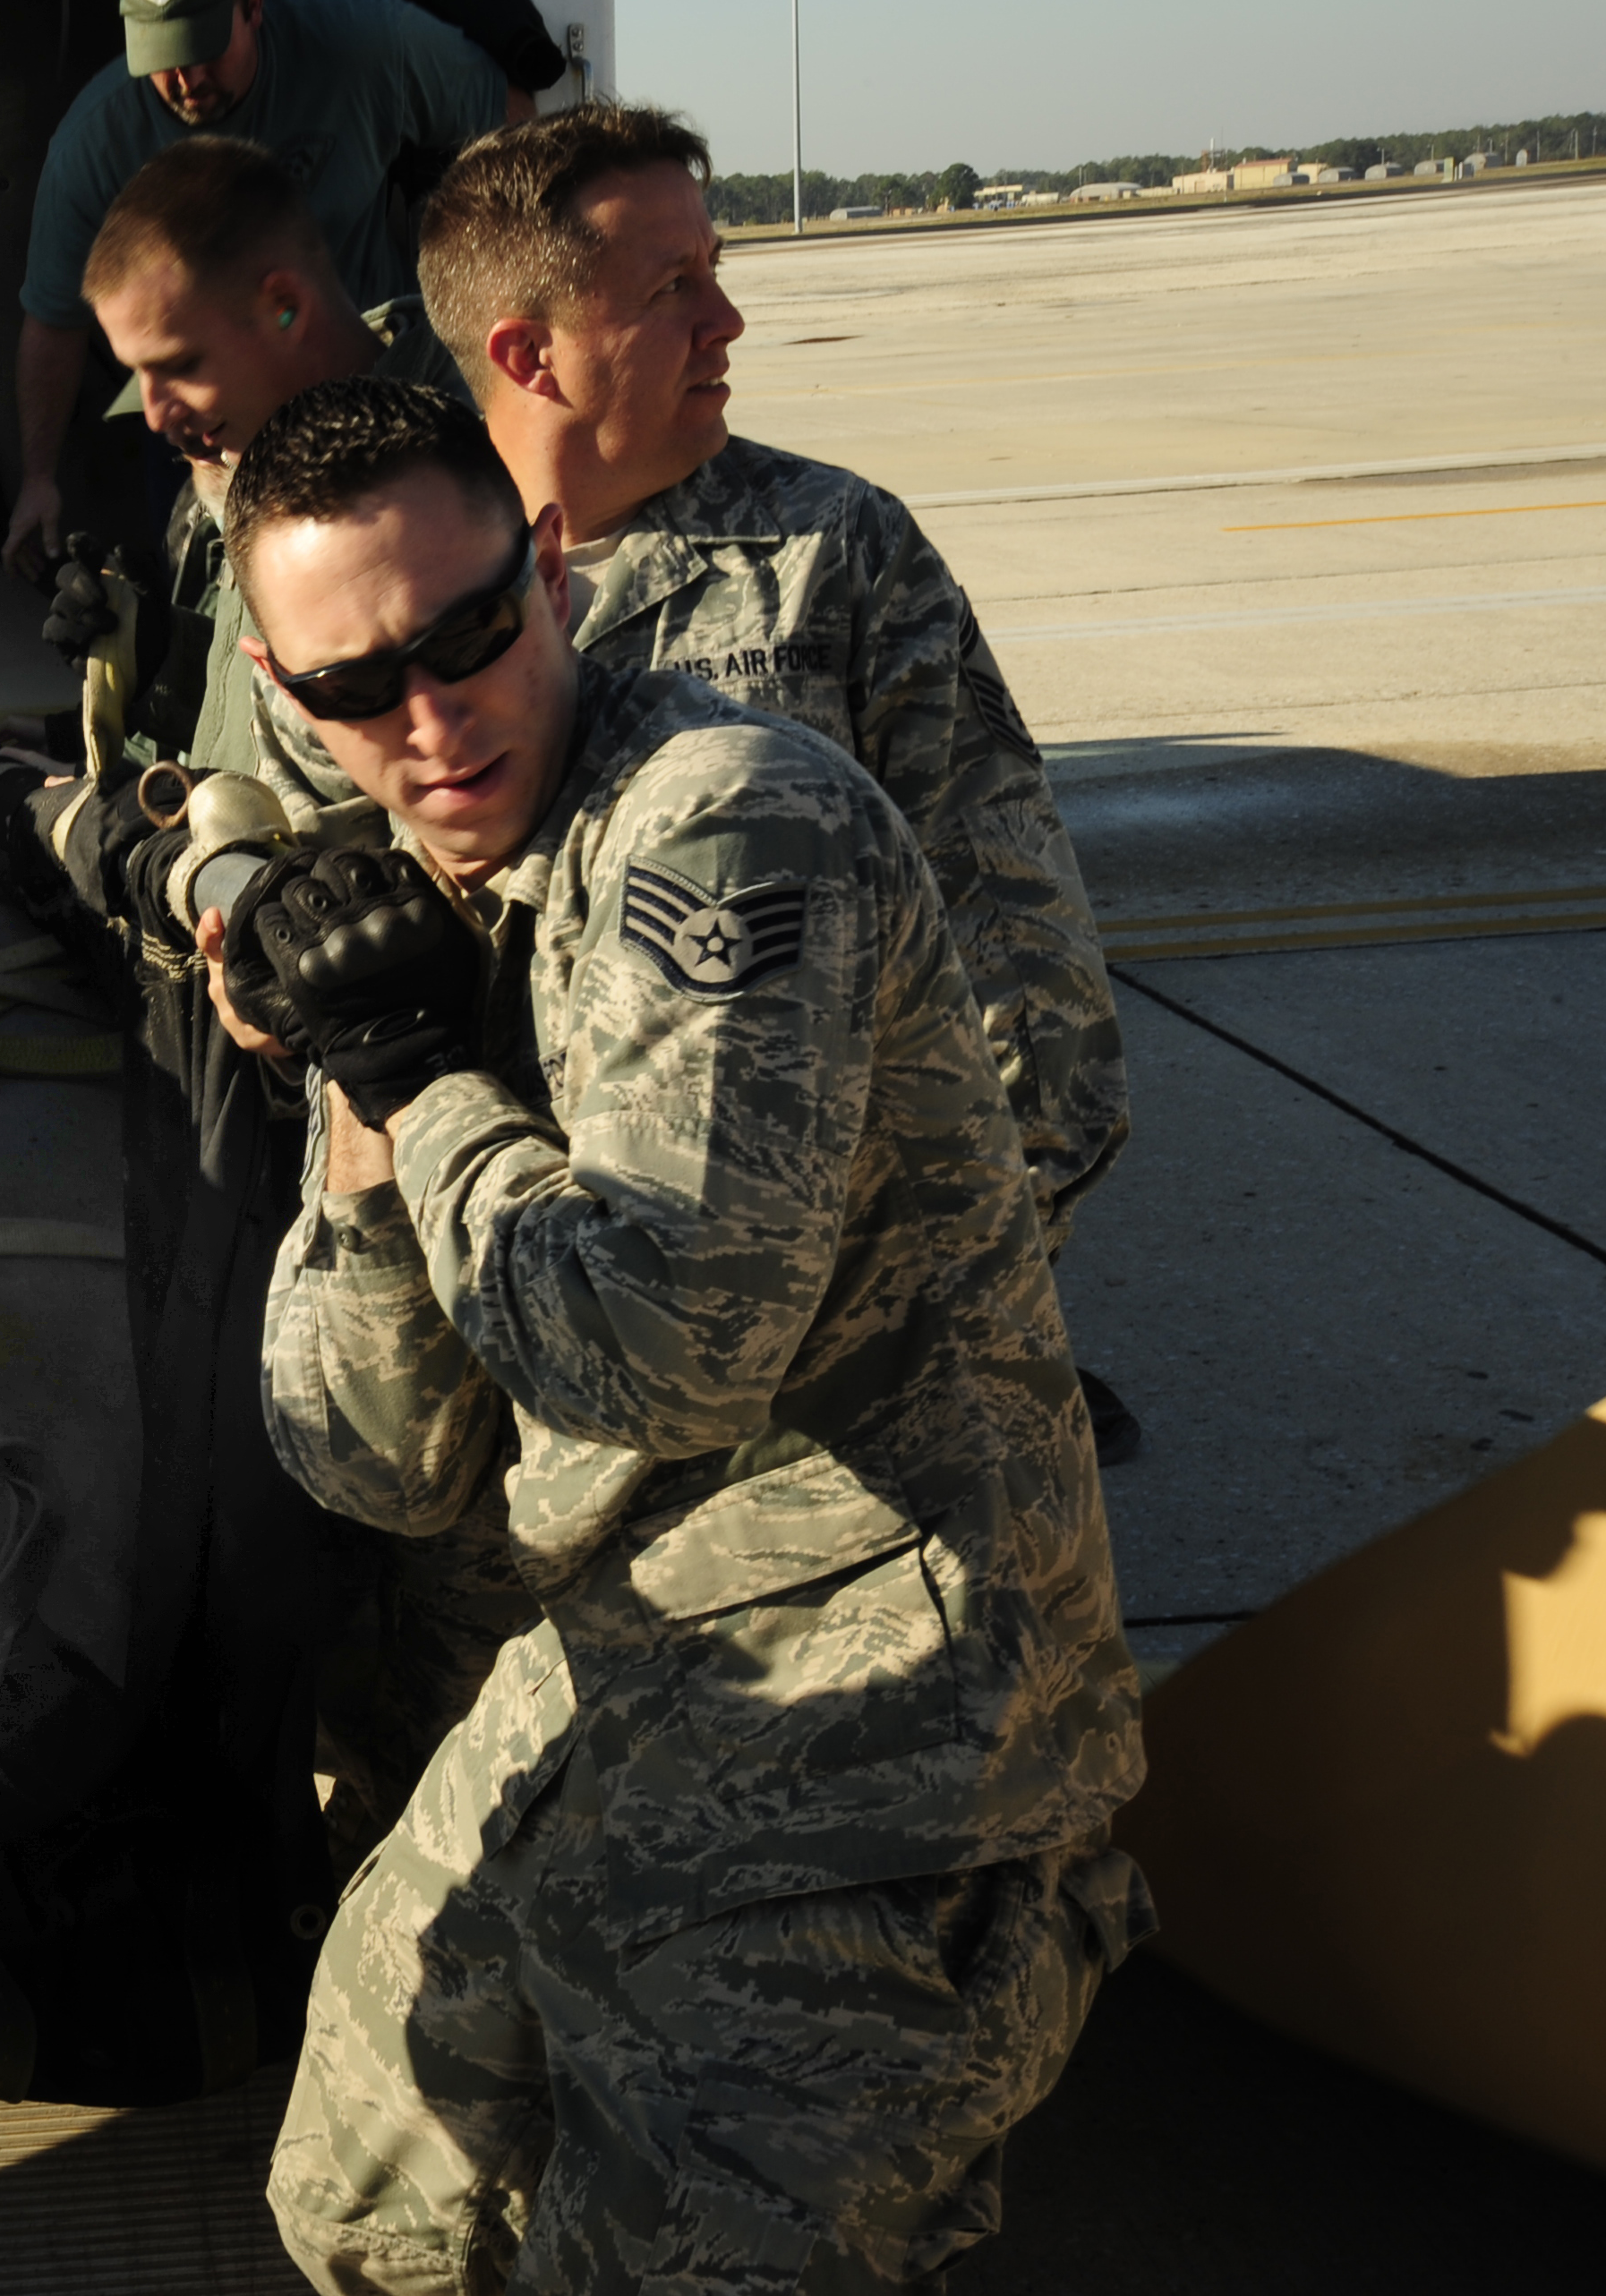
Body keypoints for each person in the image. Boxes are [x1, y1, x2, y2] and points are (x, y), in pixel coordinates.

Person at [207, 378, 1149, 2292]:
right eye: (353, 689)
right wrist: (367, 1125)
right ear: (273, 685)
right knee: (363, 2205)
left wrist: (421, 1079)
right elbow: (368, 1459)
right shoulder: (424, 895)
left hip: (879, 1735)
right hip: (623, 1670)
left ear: (547, 572)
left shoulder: (724, 827)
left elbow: (664, 1354)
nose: (430, 718)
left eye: (468, 635)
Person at [371, 104, 1135, 1426]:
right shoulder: (369, 593)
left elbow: (1026, 985)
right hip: (494, 1346)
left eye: (715, 273)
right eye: (674, 290)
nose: (727, 322)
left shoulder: (834, 557)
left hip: (827, 1385)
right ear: (526, 353)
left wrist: (937, 1306)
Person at [6, 0, 526, 579]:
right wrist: (39, 477)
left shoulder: (365, 47)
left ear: (255, 6)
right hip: (209, 431)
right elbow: (53, 320)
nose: (185, 80)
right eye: (162, 59)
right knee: (212, 590)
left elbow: (513, 125)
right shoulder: (93, 145)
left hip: (372, 382)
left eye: (202, 48)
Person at [47, 136, 467, 779]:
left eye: (181, 365)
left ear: (284, 307)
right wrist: (158, 655)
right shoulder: (232, 458)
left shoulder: (461, 470)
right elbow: (262, 730)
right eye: (138, 376)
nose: (156, 415)